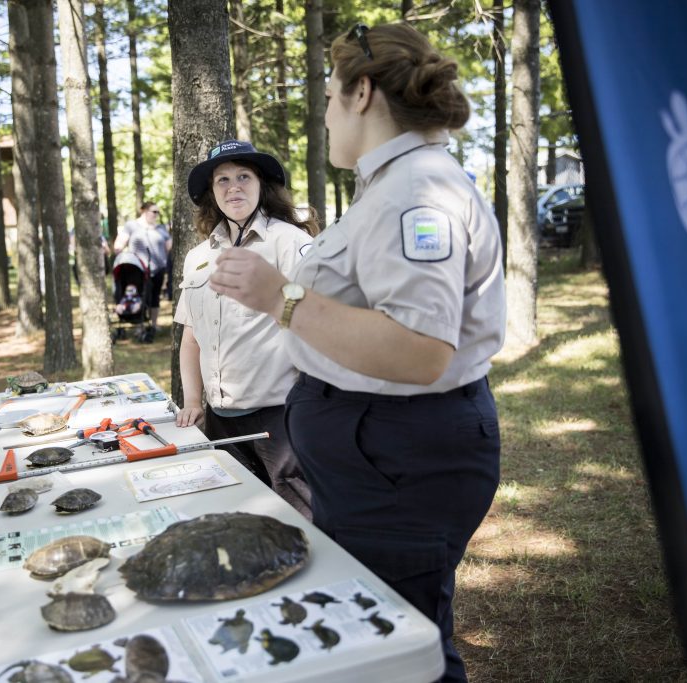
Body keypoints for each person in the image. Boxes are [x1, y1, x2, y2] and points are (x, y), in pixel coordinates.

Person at [209, 24, 505, 682]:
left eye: (328, 98)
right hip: (379, 451)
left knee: (402, 650)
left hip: (398, 455)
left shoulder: (415, 193)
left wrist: (279, 297)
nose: (324, 116)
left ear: (362, 92)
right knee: (379, 638)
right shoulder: (394, 185)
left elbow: (422, 349)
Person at [175, 140, 317, 519]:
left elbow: (313, 316)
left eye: (243, 177)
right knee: (235, 519)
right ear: (212, 192)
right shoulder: (198, 257)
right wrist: (193, 402)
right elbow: (191, 338)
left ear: (261, 185)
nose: (233, 187)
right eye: (222, 180)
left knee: (301, 521)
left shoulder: (289, 242)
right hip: (220, 420)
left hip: (280, 418)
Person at [114, 202, 171, 341]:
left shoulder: (160, 228)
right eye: (154, 212)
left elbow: (168, 245)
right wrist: (119, 252)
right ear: (144, 211)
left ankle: (154, 324)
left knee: (155, 296)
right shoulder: (132, 226)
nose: (156, 215)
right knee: (141, 294)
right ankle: (139, 325)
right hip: (138, 269)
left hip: (159, 267)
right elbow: (119, 243)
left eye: (158, 212)